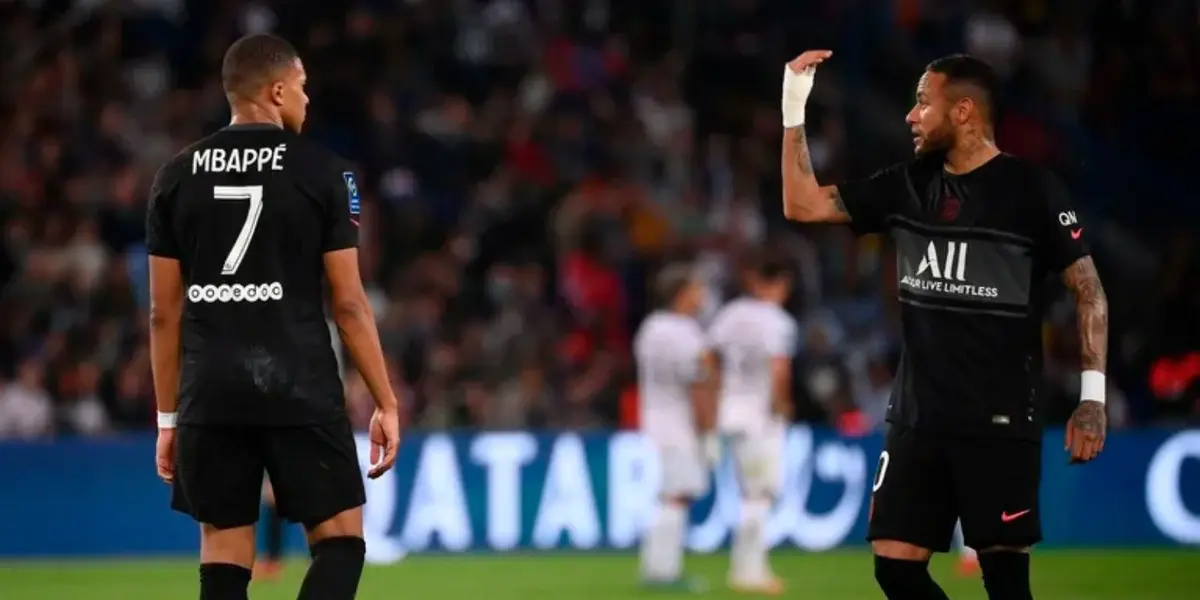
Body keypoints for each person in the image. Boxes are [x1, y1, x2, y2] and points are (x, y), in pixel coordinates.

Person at [778, 50, 1109, 600]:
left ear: (963, 112)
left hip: (999, 420)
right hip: (917, 417)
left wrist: (1092, 398)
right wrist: (794, 102)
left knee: (1004, 580)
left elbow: (1089, 291)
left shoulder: (1032, 191)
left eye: (922, 102)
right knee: (894, 568)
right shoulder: (908, 185)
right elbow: (803, 205)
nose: (910, 115)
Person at [146, 33, 402, 600]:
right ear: (278, 89)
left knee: (224, 557)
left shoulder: (174, 176)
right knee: (340, 542)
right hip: (298, 380)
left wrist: (168, 419)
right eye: (304, 89)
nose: (308, 101)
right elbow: (349, 302)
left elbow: (165, 313)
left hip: (210, 389)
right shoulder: (326, 171)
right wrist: (384, 400)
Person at [706, 255, 798, 595]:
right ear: (777, 285)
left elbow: (709, 357)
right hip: (760, 415)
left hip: (728, 410)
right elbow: (779, 369)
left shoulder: (730, 314)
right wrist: (782, 407)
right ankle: (749, 572)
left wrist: (716, 397)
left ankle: (746, 568)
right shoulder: (778, 321)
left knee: (749, 493)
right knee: (759, 496)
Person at [633, 263, 719, 593]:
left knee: (671, 495)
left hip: (654, 419)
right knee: (676, 497)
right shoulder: (684, 332)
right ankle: (662, 572)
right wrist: (709, 433)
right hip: (679, 424)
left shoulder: (651, 327)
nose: (702, 295)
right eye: (697, 288)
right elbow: (699, 384)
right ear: (681, 293)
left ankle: (657, 566)